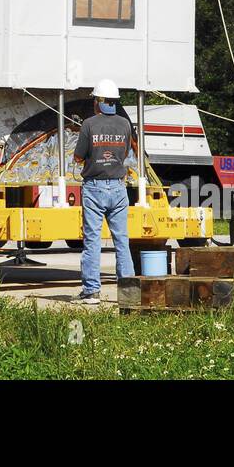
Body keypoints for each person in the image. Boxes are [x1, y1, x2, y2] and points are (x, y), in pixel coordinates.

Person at [71, 80, 136, 305]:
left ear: (98, 101)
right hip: (118, 187)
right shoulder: (126, 125)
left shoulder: (89, 124)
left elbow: (79, 156)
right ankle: (128, 292)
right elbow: (126, 152)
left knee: (92, 240)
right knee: (122, 241)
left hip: (94, 187)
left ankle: (91, 292)